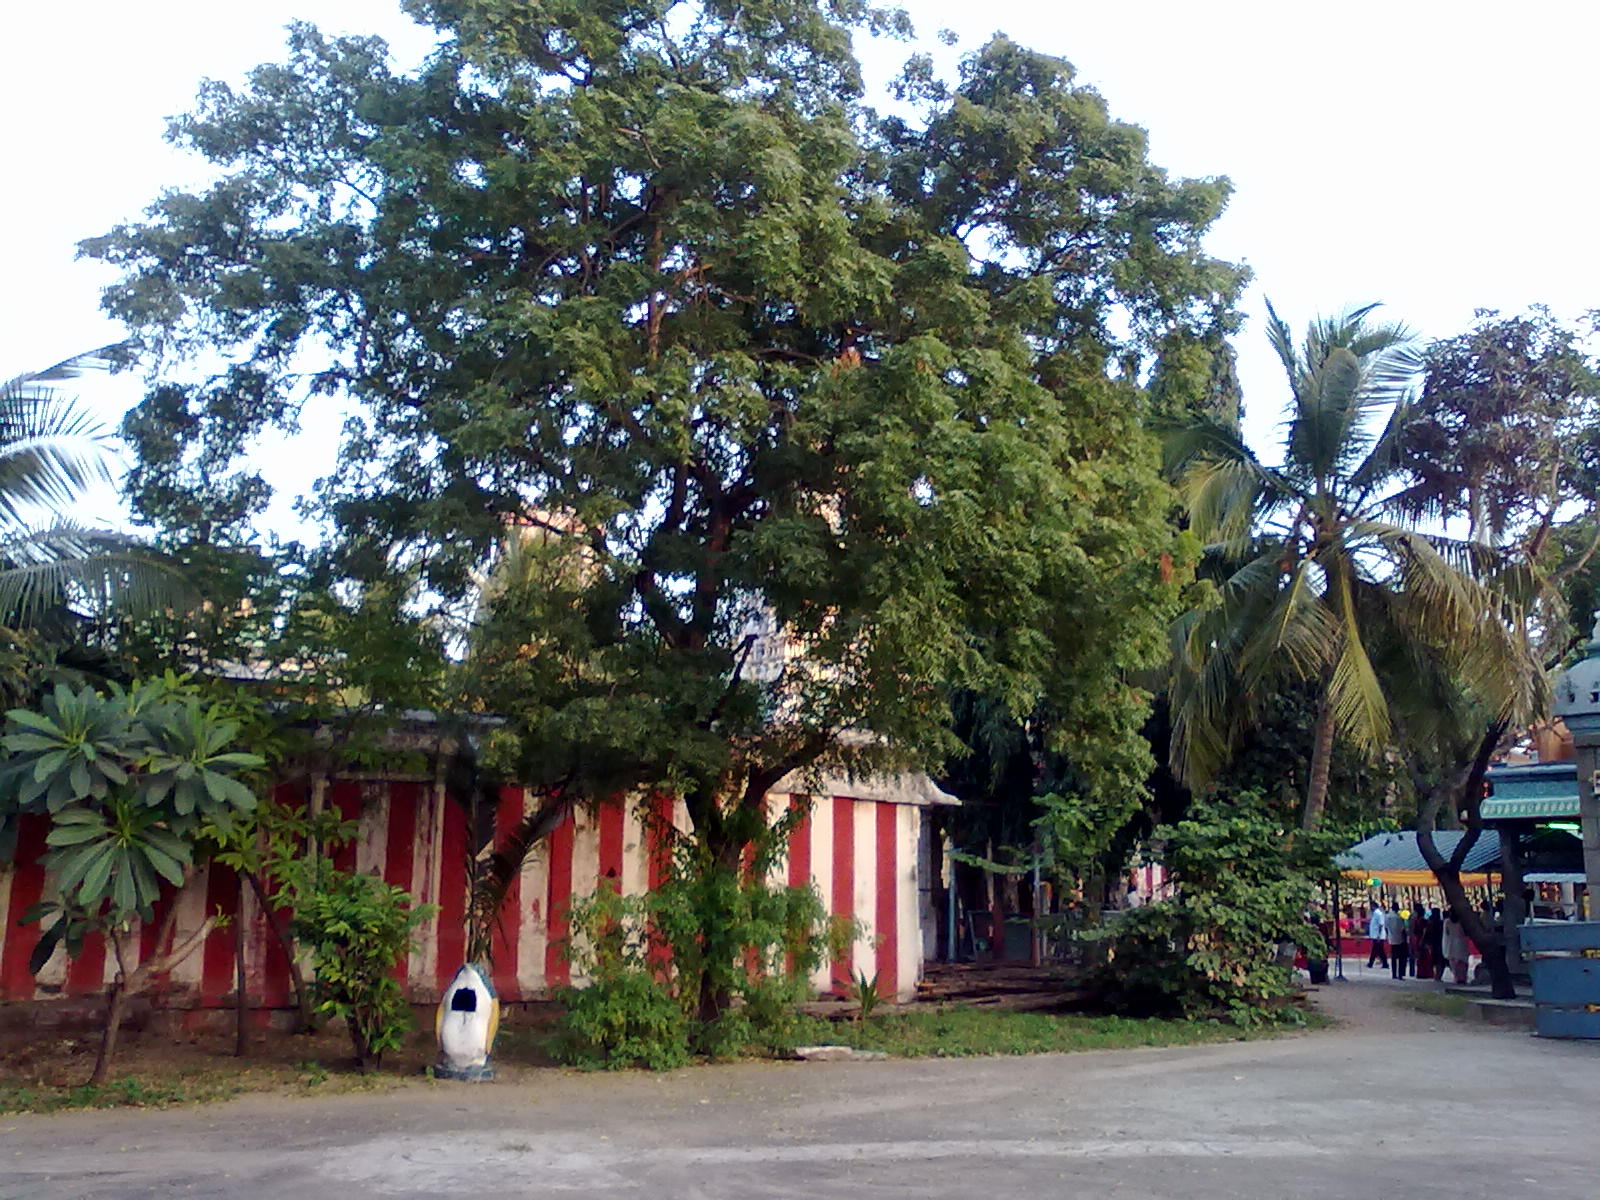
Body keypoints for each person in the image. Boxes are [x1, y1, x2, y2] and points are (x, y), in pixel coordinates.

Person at [1443, 908, 1470, 985]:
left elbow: (1447, 933)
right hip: (1461, 942)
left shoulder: (1447, 922)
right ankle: (1462, 977)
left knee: (1454, 962)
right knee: (1462, 961)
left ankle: (1457, 977)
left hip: (1451, 943)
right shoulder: (1463, 921)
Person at [1385, 902, 1409, 979]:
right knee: (1401, 958)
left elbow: (1386, 927)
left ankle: (1394, 974)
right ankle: (1400, 974)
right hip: (1400, 939)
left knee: (1393, 957)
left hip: (1391, 939)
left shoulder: (1387, 916)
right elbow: (1402, 929)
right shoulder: (1398, 917)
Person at [1424, 906, 1445, 981]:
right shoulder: (1441, 923)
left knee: (1434, 960)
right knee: (1440, 961)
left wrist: (1426, 942)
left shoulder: (1430, 923)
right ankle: (1438, 975)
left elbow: (1426, 933)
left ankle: (1436, 975)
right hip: (1440, 943)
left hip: (1432, 944)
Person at [1366, 902, 1389, 968]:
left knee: (1376, 950)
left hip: (1378, 936)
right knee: (1379, 950)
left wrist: (1378, 935)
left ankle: (1371, 963)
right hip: (1376, 935)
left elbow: (1381, 924)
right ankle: (1384, 963)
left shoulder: (1378, 914)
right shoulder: (1375, 914)